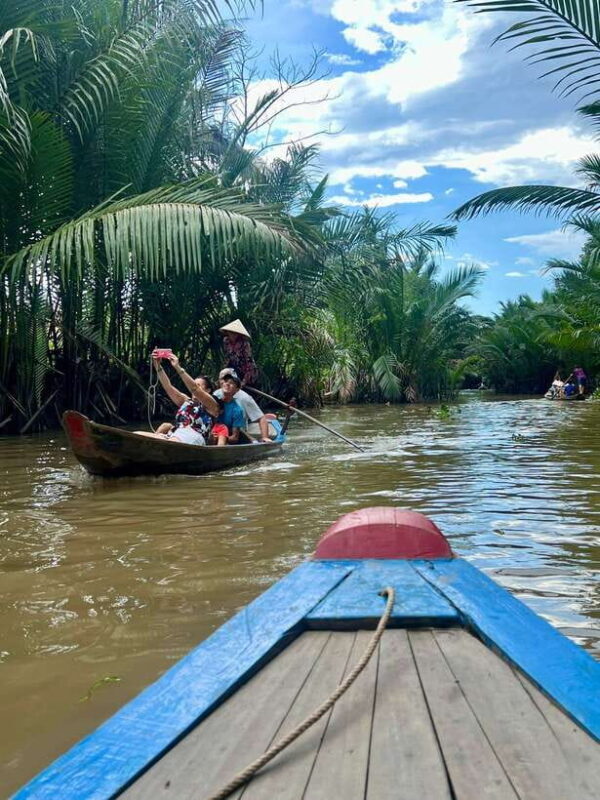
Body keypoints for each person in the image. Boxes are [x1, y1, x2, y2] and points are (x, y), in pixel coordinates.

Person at [136, 354, 220, 446]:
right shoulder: (186, 401)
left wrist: (177, 367)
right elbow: (168, 387)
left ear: (208, 390)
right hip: (175, 433)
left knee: (170, 443)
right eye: (195, 384)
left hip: (194, 436)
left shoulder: (212, 405)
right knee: (137, 435)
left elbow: (194, 388)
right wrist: (158, 366)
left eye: (199, 385)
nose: (192, 387)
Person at [214, 368, 271, 442]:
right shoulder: (215, 394)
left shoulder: (244, 398)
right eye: (223, 379)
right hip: (218, 430)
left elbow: (261, 418)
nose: (226, 383)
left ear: (236, 386)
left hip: (239, 431)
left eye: (230, 381)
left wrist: (265, 437)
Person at [219, 319, 258, 387]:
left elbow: (249, 362)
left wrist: (244, 381)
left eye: (234, 333)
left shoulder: (244, 343)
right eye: (230, 332)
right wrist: (222, 375)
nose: (232, 335)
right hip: (234, 367)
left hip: (246, 370)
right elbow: (227, 357)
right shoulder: (226, 341)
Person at [214, 371, 246, 443]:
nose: (227, 384)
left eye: (231, 383)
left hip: (222, 439)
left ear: (237, 389)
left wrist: (220, 437)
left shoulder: (237, 410)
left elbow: (234, 438)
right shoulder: (214, 401)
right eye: (225, 382)